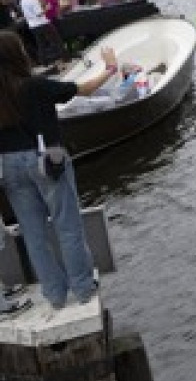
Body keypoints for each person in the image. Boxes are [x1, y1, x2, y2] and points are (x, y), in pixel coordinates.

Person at [0, 31, 114, 309]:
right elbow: (82, 89)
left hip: (8, 165)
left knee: (32, 233)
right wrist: (110, 68)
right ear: (19, 55)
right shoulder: (35, 86)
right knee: (67, 226)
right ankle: (83, 288)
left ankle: (55, 296)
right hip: (46, 158)